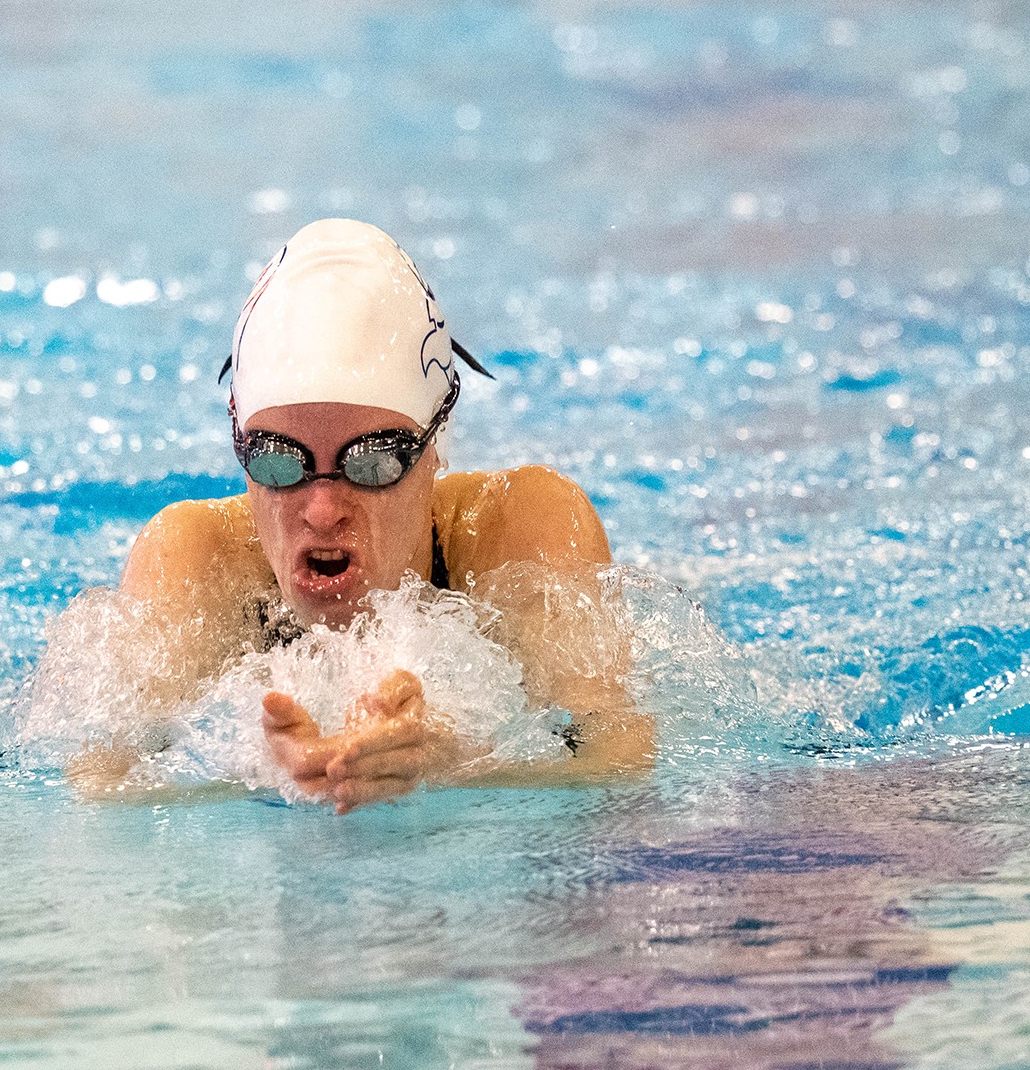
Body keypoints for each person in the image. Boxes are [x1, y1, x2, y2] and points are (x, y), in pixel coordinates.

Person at [67, 219, 654, 813]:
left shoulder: (522, 531)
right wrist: (261, 774)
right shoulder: (194, 561)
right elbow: (98, 791)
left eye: (373, 463)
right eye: (277, 462)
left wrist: (448, 760)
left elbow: (619, 767)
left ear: (435, 446)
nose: (321, 512)